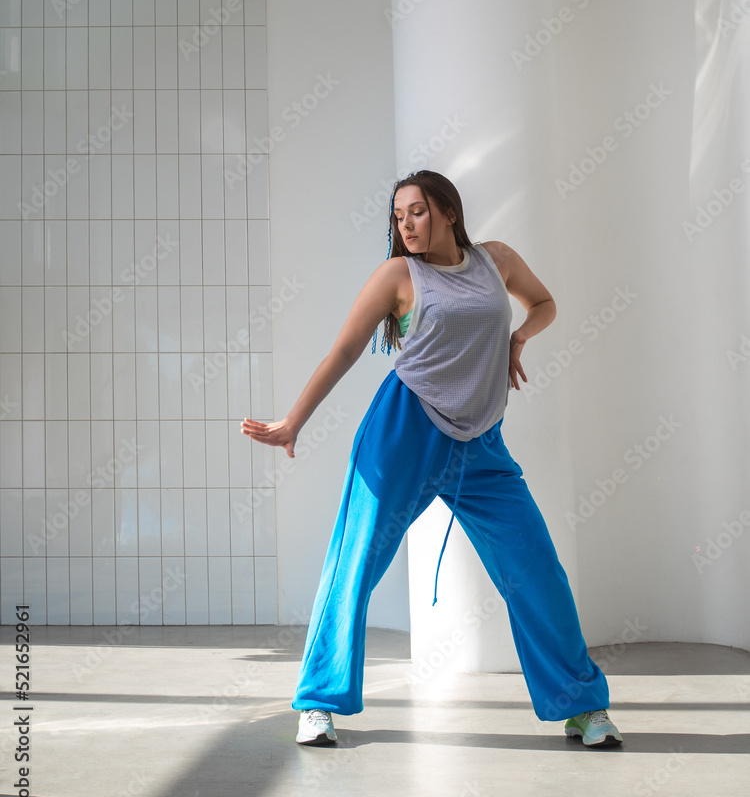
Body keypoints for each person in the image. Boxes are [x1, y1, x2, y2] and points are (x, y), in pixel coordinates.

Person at [240, 170, 623, 749]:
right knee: (355, 563)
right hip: (404, 432)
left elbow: (543, 304)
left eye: (416, 212)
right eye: (398, 217)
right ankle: (318, 702)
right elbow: (343, 350)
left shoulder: (497, 260)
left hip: (482, 443)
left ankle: (582, 706)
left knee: (536, 570)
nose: (406, 225)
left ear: (447, 210)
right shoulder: (398, 275)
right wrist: (294, 420)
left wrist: (518, 339)